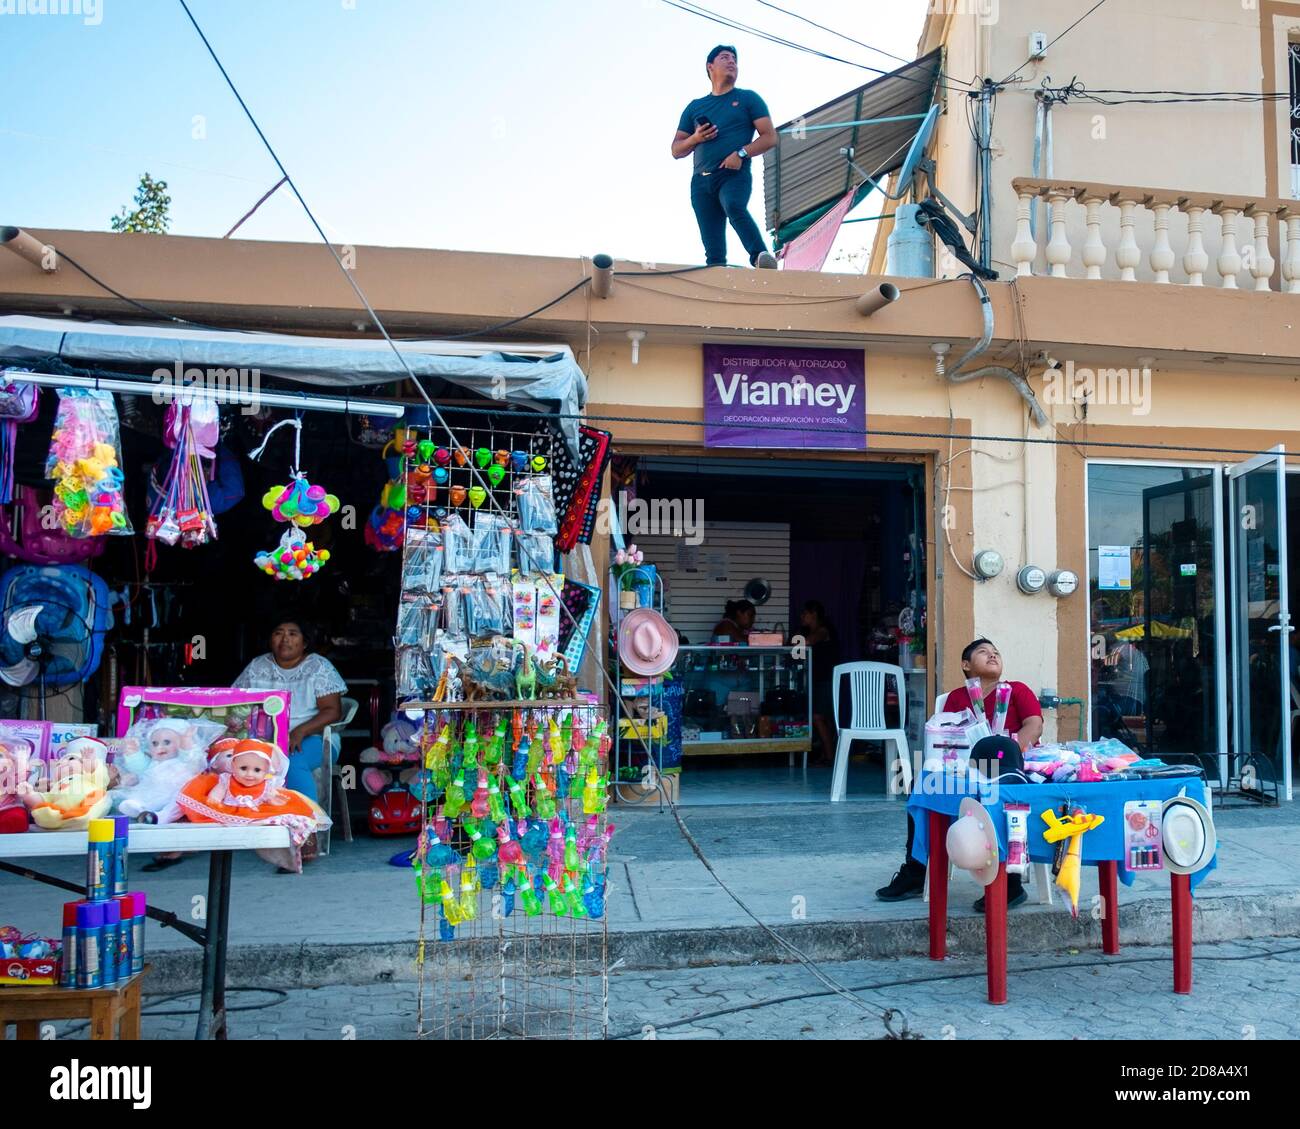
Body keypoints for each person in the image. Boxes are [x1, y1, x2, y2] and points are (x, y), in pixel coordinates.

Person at [875, 638, 1044, 910]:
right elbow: (944, 739)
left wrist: (1007, 751)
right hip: (964, 769)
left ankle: (1010, 883)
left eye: (996, 652)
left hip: (1007, 768)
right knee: (924, 785)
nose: (992, 655)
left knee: (1001, 793)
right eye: (983, 652)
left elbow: (1034, 725)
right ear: (966, 665)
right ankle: (916, 869)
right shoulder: (956, 698)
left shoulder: (1016, 690)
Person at [671, 45, 779, 269]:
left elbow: (770, 137)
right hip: (700, 180)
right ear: (710, 67)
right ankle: (716, 277)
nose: (732, 62)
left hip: (733, 173)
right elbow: (676, 150)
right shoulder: (695, 107)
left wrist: (741, 153)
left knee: (733, 206)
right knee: (713, 249)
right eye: (725, 58)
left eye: (734, 59)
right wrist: (696, 138)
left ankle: (760, 257)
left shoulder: (748, 99)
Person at [233, 618, 347, 799]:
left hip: (314, 738)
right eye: (278, 633)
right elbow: (236, 702)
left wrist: (299, 732)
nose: (285, 639)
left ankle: (308, 820)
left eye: (293, 634)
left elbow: (333, 711)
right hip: (266, 739)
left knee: (292, 762)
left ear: (305, 643)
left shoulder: (318, 667)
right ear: (270, 639)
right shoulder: (257, 666)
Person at [800, 600, 840, 763]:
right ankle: (827, 754)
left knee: (818, 716)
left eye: (805, 614)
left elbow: (808, 642)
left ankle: (830, 757)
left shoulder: (823, 630)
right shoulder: (810, 631)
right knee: (822, 717)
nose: (801, 617)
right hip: (818, 679)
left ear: (814, 614)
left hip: (826, 679)